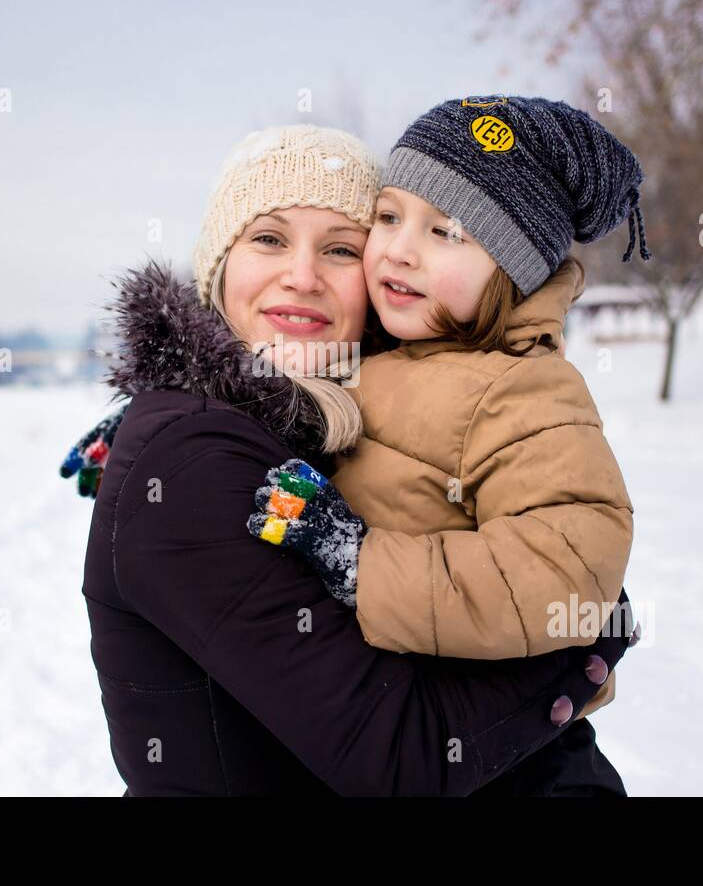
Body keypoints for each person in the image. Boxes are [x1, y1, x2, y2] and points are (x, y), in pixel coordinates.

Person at [81, 124, 633, 795]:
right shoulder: (192, 453)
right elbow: (401, 757)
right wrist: (587, 640)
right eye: (269, 238)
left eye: (341, 248)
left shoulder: (331, 413)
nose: (303, 275)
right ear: (219, 264)